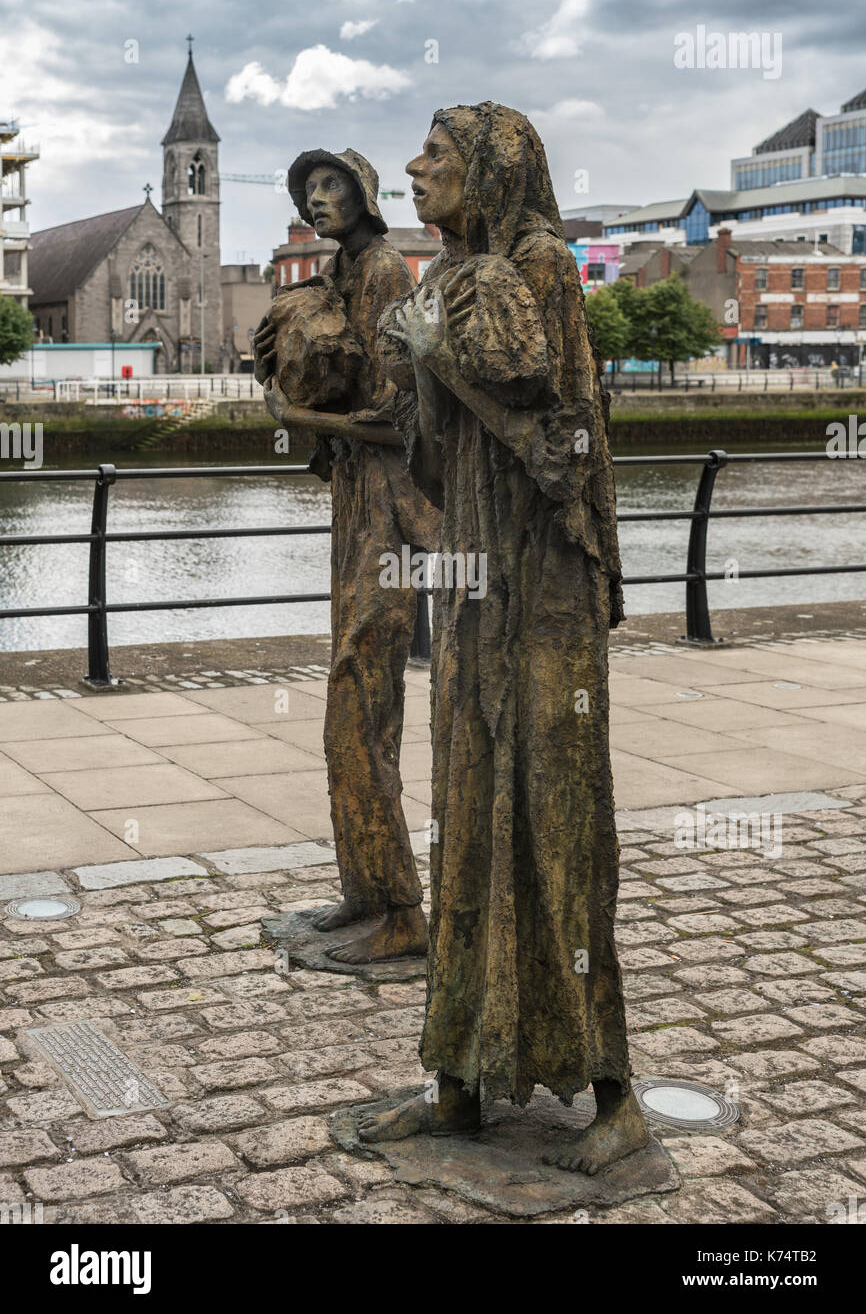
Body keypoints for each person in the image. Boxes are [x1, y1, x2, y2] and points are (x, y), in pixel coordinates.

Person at [359, 104, 649, 1174]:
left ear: (489, 168)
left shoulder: (540, 269)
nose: (414, 168)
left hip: (549, 594)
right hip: (480, 584)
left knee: (560, 822)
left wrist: (441, 342)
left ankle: (616, 1095)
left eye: (435, 154)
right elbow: (431, 447)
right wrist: (407, 368)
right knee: (469, 809)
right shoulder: (457, 277)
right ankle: (458, 1082)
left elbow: (548, 420)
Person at [254, 149, 439, 964]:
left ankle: (400, 910)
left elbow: (401, 417)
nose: (318, 199)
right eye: (308, 190)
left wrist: (296, 414)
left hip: (389, 506)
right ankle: (366, 892)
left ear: (365, 194)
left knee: (361, 697)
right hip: (353, 496)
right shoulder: (340, 269)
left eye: (332, 187)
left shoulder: (388, 270)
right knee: (349, 697)